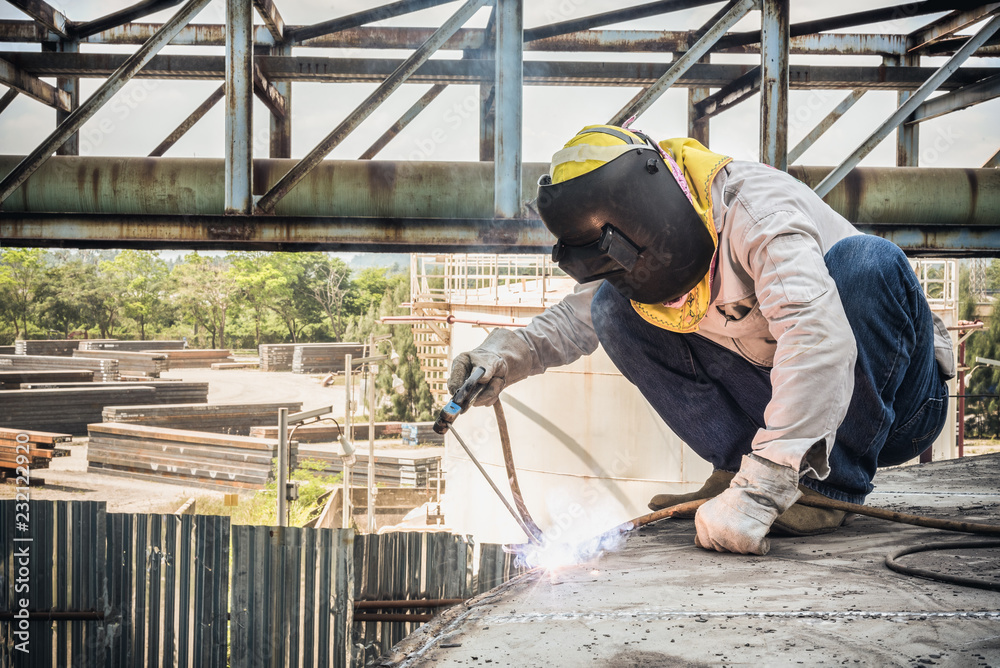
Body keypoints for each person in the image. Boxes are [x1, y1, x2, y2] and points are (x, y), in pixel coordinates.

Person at [448, 124, 955, 556]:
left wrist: (762, 494)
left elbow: (818, 341)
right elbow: (572, 321)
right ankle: (737, 467)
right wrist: (500, 358)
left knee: (868, 263)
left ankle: (825, 487)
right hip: (782, 388)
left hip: (899, 403)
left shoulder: (756, 213)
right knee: (611, 309)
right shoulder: (635, 249)